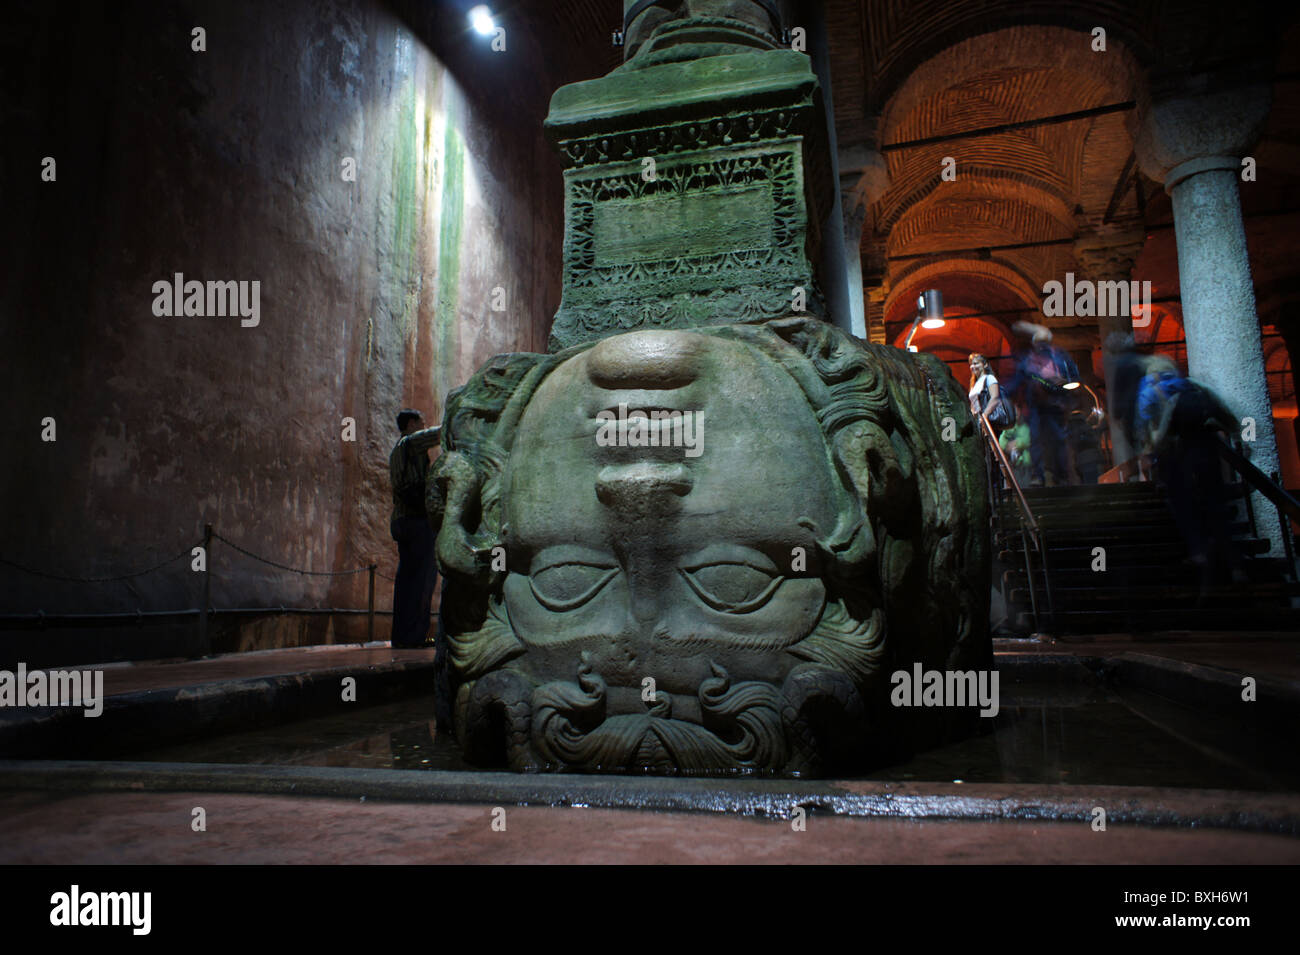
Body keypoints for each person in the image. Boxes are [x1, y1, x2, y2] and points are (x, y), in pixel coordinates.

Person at [1136, 366, 1244, 589]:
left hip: (1181, 457)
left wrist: (1151, 453)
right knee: (1217, 507)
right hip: (1209, 454)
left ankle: (1200, 554)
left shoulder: (1169, 397)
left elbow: (1162, 434)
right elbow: (1231, 421)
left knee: (1185, 506)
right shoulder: (1200, 390)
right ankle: (1235, 566)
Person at [389, 408, 441, 649]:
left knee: (406, 582)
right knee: (422, 581)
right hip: (417, 520)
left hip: (402, 521)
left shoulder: (397, 450)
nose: (423, 425)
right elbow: (435, 435)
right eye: (421, 421)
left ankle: (402, 636)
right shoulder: (410, 442)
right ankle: (415, 637)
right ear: (410, 424)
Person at [1008, 323, 1079, 486]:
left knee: (1057, 439)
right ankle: (1040, 476)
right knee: (1038, 440)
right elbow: (1018, 378)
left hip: (1054, 405)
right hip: (1037, 406)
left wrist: (1069, 386)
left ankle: (1060, 476)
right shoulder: (1031, 359)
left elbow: (1072, 376)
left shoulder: (1058, 357)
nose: (1041, 346)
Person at [967, 353, 1003, 425]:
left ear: (985, 364)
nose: (972, 366)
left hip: (989, 420)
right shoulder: (974, 384)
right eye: (971, 364)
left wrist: (984, 416)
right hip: (978, 421)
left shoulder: (989, 378)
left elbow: (995, 398)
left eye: (976, 363)